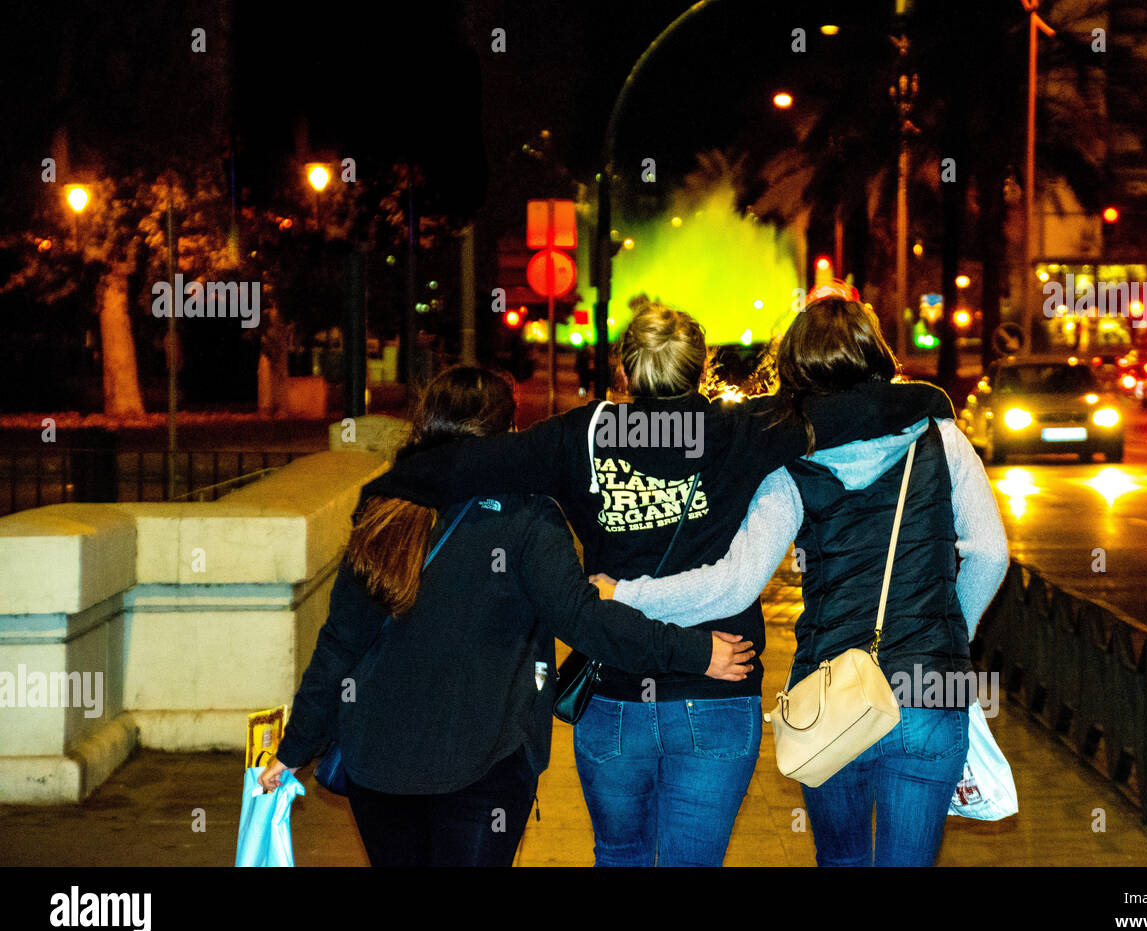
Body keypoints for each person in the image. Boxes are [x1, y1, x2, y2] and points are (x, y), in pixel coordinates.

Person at [360, 300, 955, 866]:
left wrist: (391, 483)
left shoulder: (581, 436)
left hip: (613, 695)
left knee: (619, 856)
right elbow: (850, 412)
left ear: (623, 370)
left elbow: (473, 464)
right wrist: (926, 398)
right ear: (701, 366)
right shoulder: (742, 428)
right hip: (718, 690)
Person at [257, 365, 755, 867]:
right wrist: (694, 651)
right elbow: (584, 620)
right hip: (483, 765)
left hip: (379, 766)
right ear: (510, 434)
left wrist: (294, 747)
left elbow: (340, 644)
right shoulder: (526, 518)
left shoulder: (386, 514)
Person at [594, 290, 1010, 866]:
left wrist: (626, 595)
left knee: (840, 862)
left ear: (795, 366)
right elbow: (989, 554)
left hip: (833, 693)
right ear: (875, 352)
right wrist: (943, 635)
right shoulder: (943, 438)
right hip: (929, 689)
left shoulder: (792, 461)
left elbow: (736, 583)